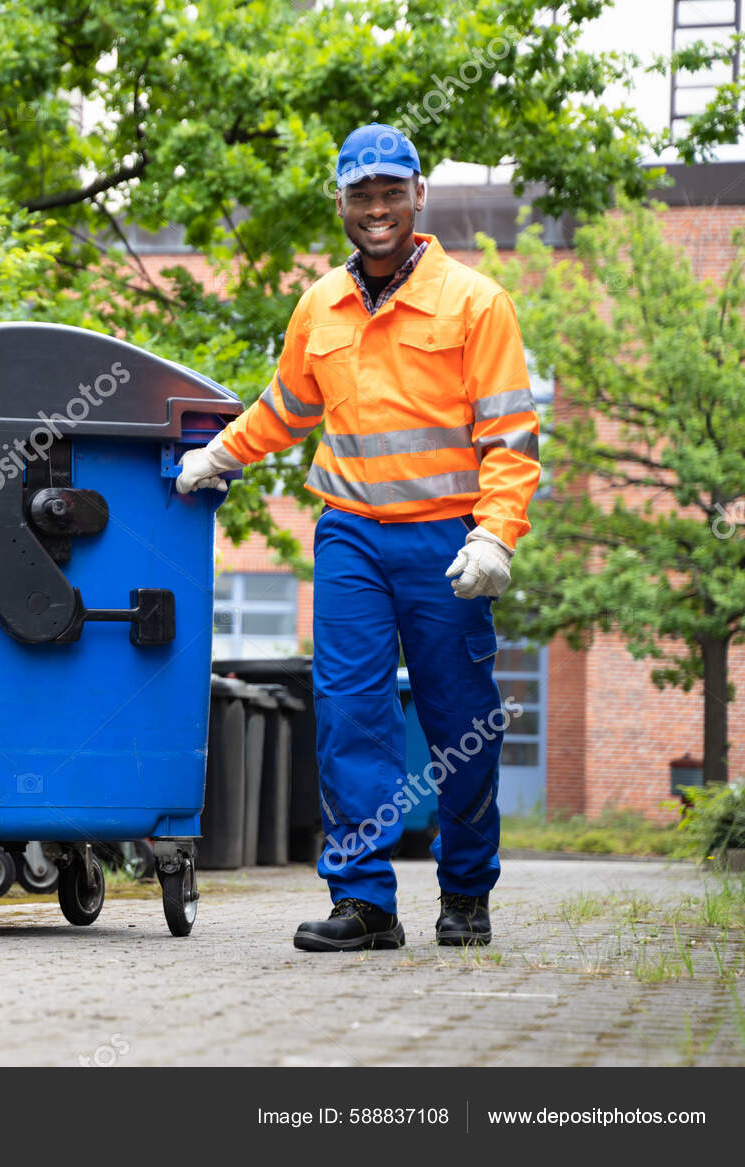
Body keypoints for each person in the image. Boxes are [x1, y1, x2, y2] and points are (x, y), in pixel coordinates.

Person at [177, 124, 540, 950]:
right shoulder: (321, 305)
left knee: (460, 718)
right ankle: (365, 900)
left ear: (419, 196)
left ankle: (466, 891)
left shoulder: (474, 302)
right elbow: (288, 408)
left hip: (448, 540)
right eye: (360, 195)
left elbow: (512, 436)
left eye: (391, 192)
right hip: (350, 537)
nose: (377, 209)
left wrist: (496, 534)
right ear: (340, 202)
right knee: (349, 713)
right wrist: (218, 454)